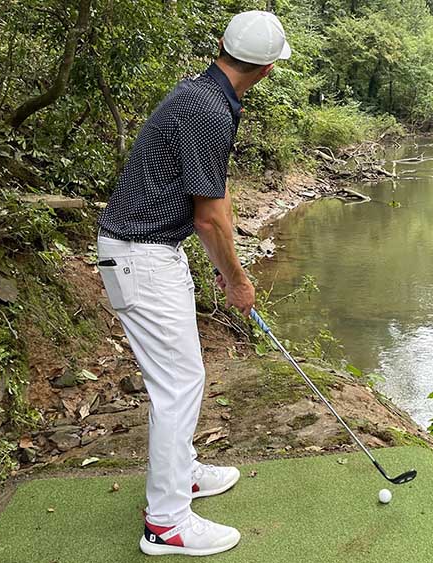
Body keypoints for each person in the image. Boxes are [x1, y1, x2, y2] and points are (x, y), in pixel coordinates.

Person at [95, 11, 291, 557]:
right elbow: (209, 216)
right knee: (178, 385)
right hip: (142, 256)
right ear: (269, 67)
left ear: (223, 47)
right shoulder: (209, 109)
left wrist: (221, 265)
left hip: (149, 252)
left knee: (182, 379)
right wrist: (238, 280)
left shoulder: (203, 95)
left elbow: (212, 202)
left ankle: (182, 475)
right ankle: (166, 523)